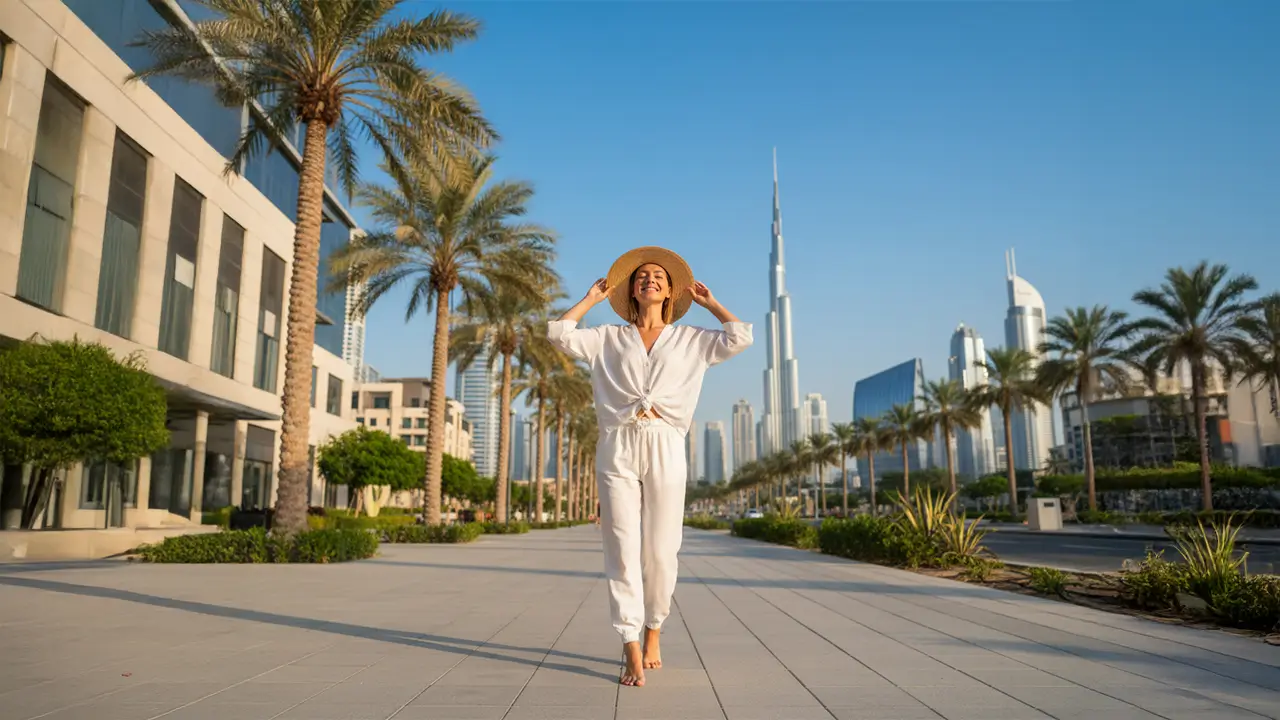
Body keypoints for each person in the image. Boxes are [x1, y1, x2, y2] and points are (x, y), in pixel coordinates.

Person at [547, 246, 752, 687]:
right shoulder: (606, 336)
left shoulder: (693, 339)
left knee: (661, 550)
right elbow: (560, 334)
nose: (650, 279)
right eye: (641, 276)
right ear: (631, 290)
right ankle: (630, 645)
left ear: (671, 290)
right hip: (617, 443)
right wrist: (591, 299)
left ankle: (654, 629)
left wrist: (711, 303)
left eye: (658, 275)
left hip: (665, 442)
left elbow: (739, 338)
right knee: (621, 546)